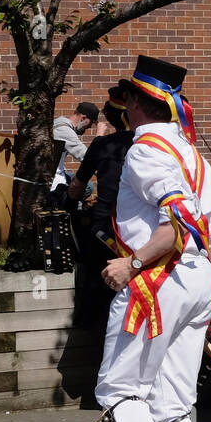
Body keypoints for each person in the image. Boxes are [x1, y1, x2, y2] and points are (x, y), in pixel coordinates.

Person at [91, 56, 211, 422]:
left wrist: (132, 263)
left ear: (134, 103)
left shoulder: (145, 150)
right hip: (196, 279)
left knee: (118, 389)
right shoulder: (192, 154)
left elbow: (174, 222)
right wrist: (200, 273)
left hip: (155, 278)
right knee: (174, 401)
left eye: (125, 99)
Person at [66, 85, 133, 328]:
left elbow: (77, 185)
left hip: (106, 230)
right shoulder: (153, 145)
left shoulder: (103, 145)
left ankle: (90, 322)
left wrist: (69, 204)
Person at [51, 100, 102, 198]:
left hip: (58, 171)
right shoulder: (64, 130)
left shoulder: (60, 124)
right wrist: (98, 137)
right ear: (83, 118)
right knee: (81, 188)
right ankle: (71, 209)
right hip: (53, 178)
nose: (89, 127)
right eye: (89, 124)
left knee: (89, 186)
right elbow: (86, 157)